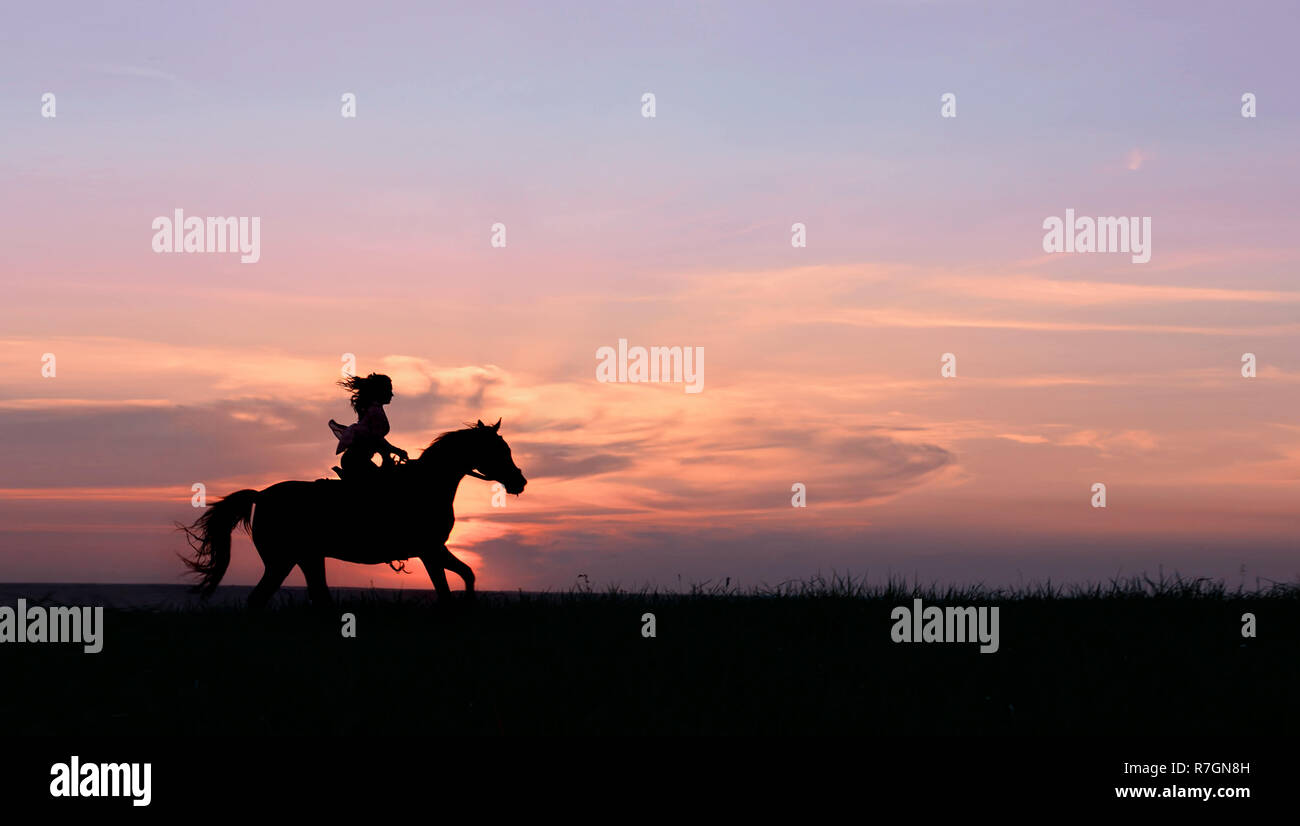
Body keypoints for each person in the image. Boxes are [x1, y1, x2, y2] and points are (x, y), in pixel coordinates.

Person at [329, 373, 408, 482]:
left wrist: (391, 452)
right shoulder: (375, 411)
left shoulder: (374, 408)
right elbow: (377, 440)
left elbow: (377, 440)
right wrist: (396, 451)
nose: (392, 394)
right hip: (356, 461)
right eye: (389, 390)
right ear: (380, 392)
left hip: (355, 460)